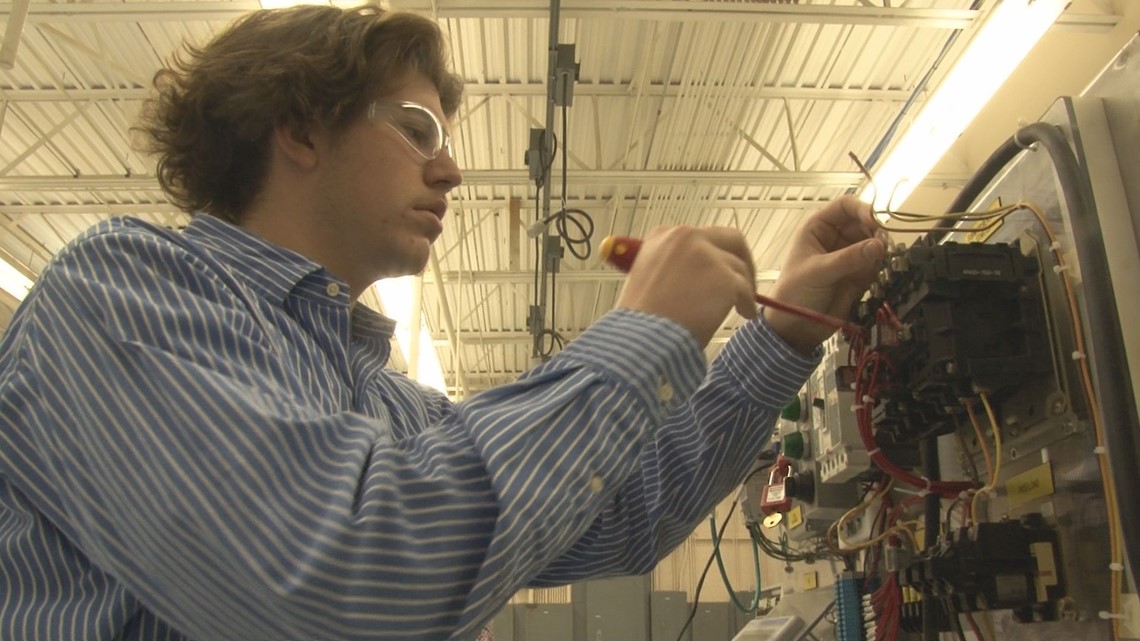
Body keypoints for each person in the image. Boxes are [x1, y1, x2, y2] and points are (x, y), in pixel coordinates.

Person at [0, 5, 885, 641]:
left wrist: (783, 336)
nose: (451, 171)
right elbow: (337, 583)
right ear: (300, 128)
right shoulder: (120, 292)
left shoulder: (386, 405)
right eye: (418, 129)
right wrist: (642, 332)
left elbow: (620, 508)